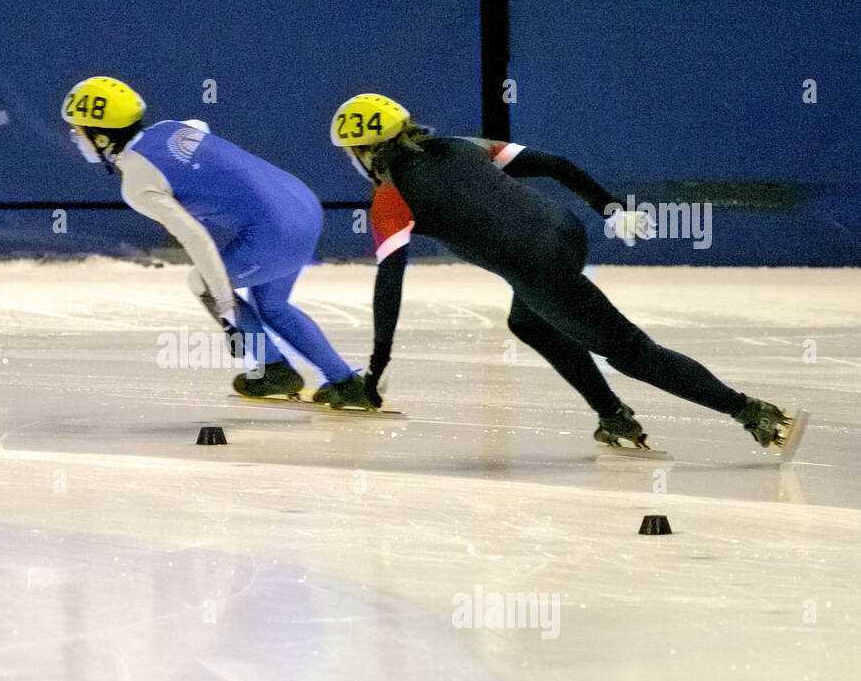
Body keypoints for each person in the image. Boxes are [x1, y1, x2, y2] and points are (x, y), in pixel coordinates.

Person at [330, 92, 798, 449]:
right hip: (566, 235)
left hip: (539, 270)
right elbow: (555, 164)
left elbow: (389, 284)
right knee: (527, 323)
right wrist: (611, 208)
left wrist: (377, 367)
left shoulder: (390, 199)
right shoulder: (459, 145)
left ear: (366, 152)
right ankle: (612, 417)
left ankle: (753, 413)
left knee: (632, 352)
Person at [61, 76, 369, 407]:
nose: (75, 139)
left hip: (274, 233)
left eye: (79, 132)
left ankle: (273, 368)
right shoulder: (169, 127)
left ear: (102, 137)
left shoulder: (138, 184)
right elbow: (198, 126)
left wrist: (224, 312)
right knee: (273, 306)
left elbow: (197, 239)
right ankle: (346, 383)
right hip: (303, 206)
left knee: (201, 281)